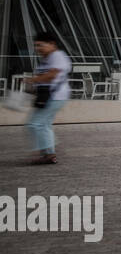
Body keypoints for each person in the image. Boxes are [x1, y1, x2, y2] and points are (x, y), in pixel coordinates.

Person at [23, 31, 71, 165]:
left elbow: (53, 74)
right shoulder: (48, 58)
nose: (38, 49)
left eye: (40, 45)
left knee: (36, 123)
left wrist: (33, 79)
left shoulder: (57, 55)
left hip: (55, 96)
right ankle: (49, 154)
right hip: (49, 96)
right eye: (36, 46)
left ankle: (48, 153)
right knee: (43, 124)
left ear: (52, 44)